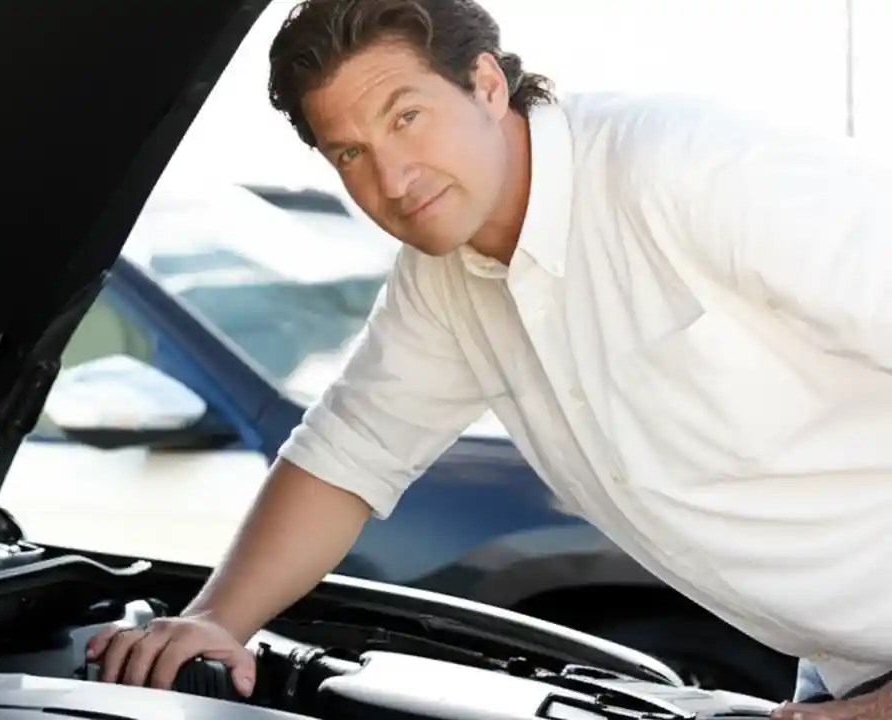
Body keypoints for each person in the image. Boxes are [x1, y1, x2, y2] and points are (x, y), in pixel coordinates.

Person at [85, 0, 892, 716]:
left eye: (406, 117)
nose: (393, 180)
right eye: (350, 154)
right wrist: (214, 621)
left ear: (486, 84)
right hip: (841, 668)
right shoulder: (445, 279)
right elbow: (345, 456)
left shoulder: (692, 169)